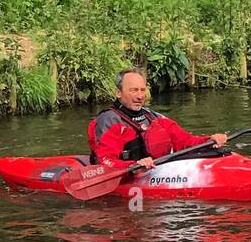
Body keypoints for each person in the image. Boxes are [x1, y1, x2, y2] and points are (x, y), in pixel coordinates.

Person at [88, 69, 227, 169]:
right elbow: (105, 161)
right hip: (128, 174)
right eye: (134, 90)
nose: (140, 96)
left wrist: (209, 140)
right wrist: (134, 165)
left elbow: (185, 142)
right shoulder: (108, 121)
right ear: (118, 92)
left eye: (142, 90)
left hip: (152, 170)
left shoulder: (153, 117)